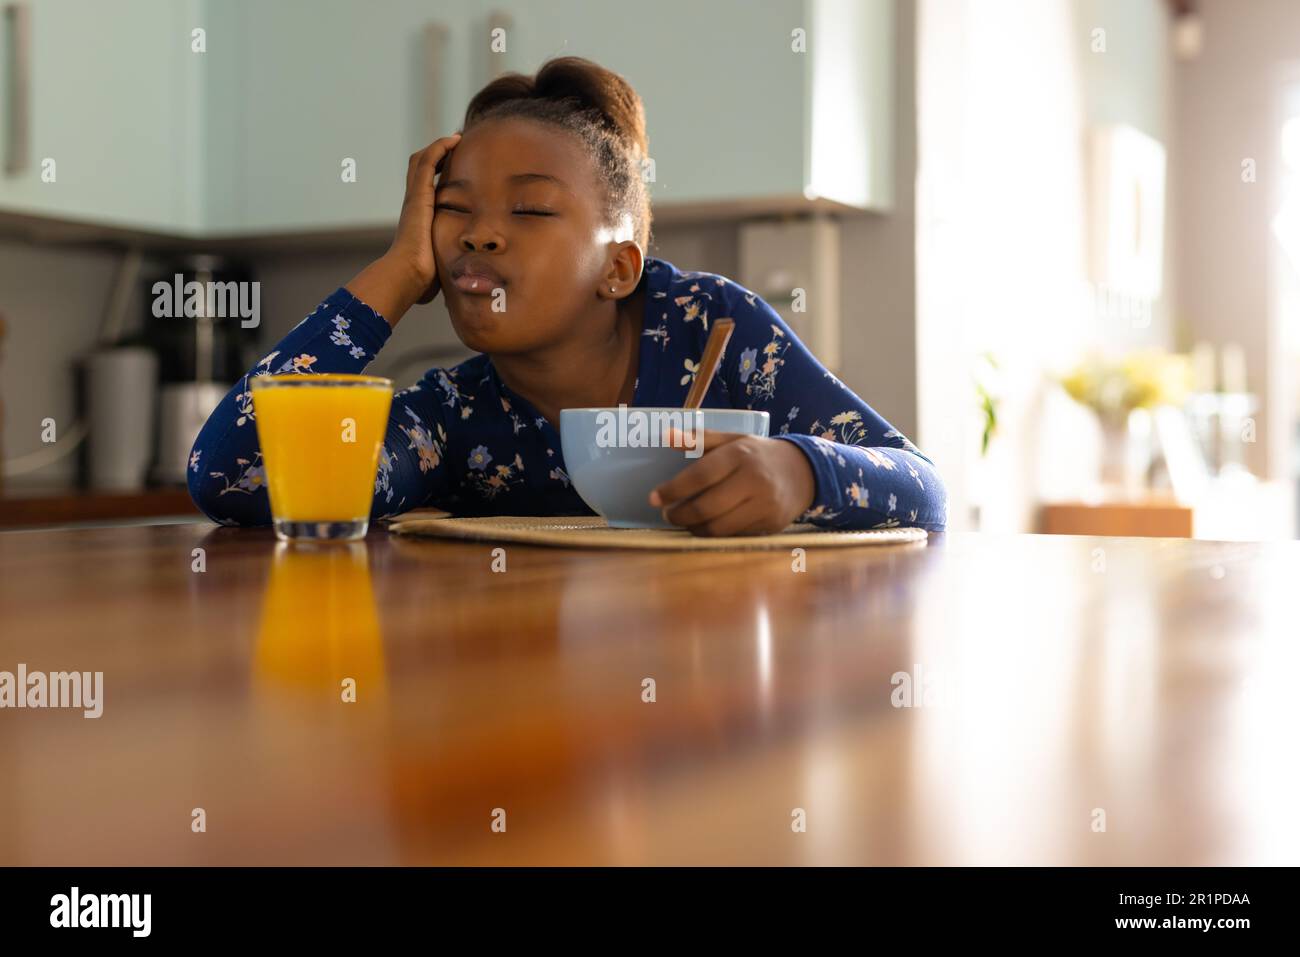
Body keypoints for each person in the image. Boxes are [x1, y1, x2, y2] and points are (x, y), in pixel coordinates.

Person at [189, 56, 946, 536]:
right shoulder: (450, 421)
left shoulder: (714, 327)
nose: (479, 235)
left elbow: (922, 486)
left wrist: (798, 471)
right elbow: (229, 476)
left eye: (530, 209)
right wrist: (397, 273)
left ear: (619, 268)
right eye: (454, 209)